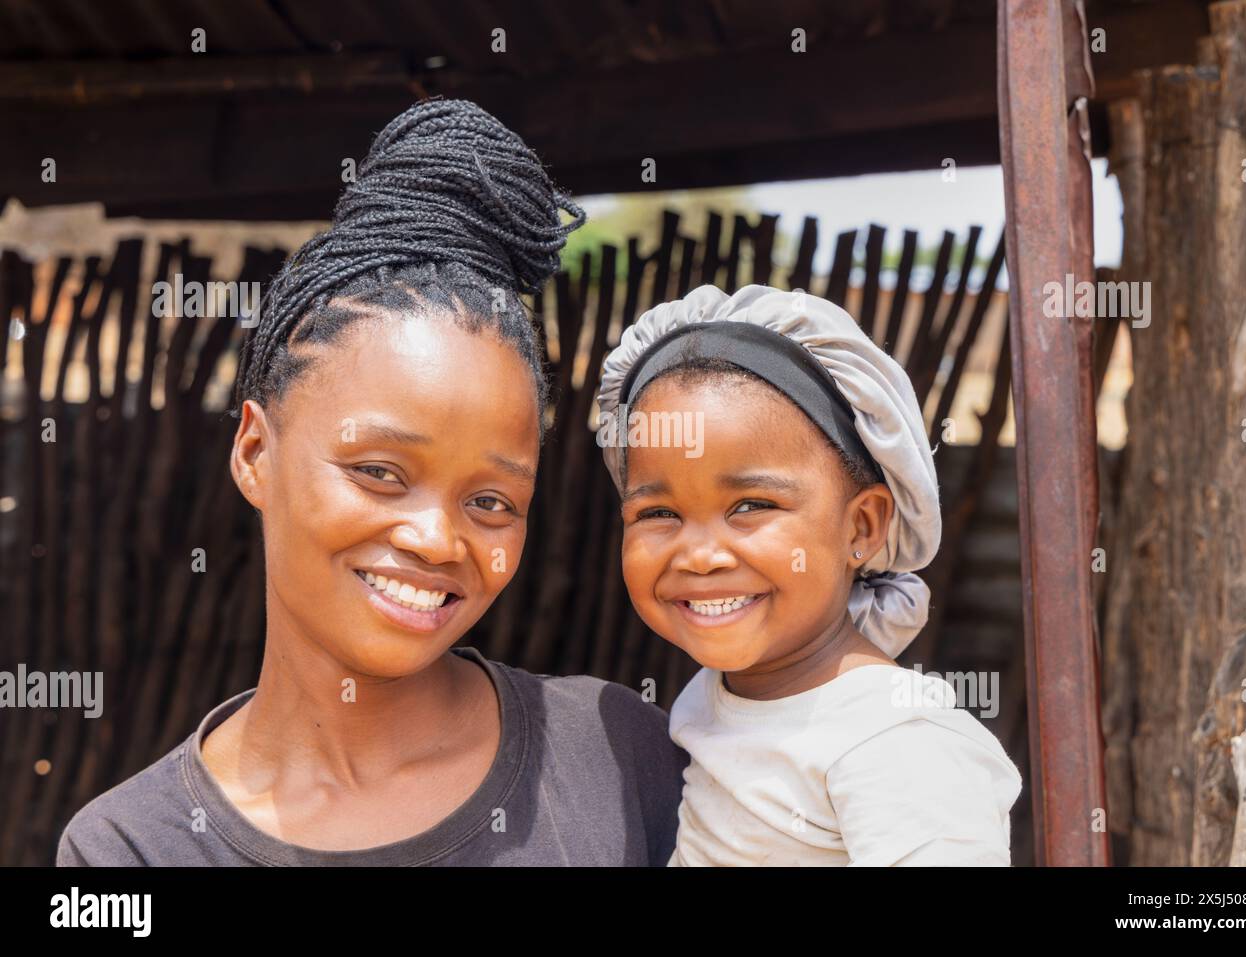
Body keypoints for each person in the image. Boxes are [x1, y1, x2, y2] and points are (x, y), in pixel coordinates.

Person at [57, 98, 686, 867]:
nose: (435, 537)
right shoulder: (130, 849)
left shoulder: (617, 757)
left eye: (490, 500)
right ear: (255, 450)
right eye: (380, 472)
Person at [596, 285, 1022, 866]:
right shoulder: (710, 700)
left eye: (751, 506)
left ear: (862, 528)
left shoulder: (898, 740)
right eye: (658, 513)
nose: (699, 555)